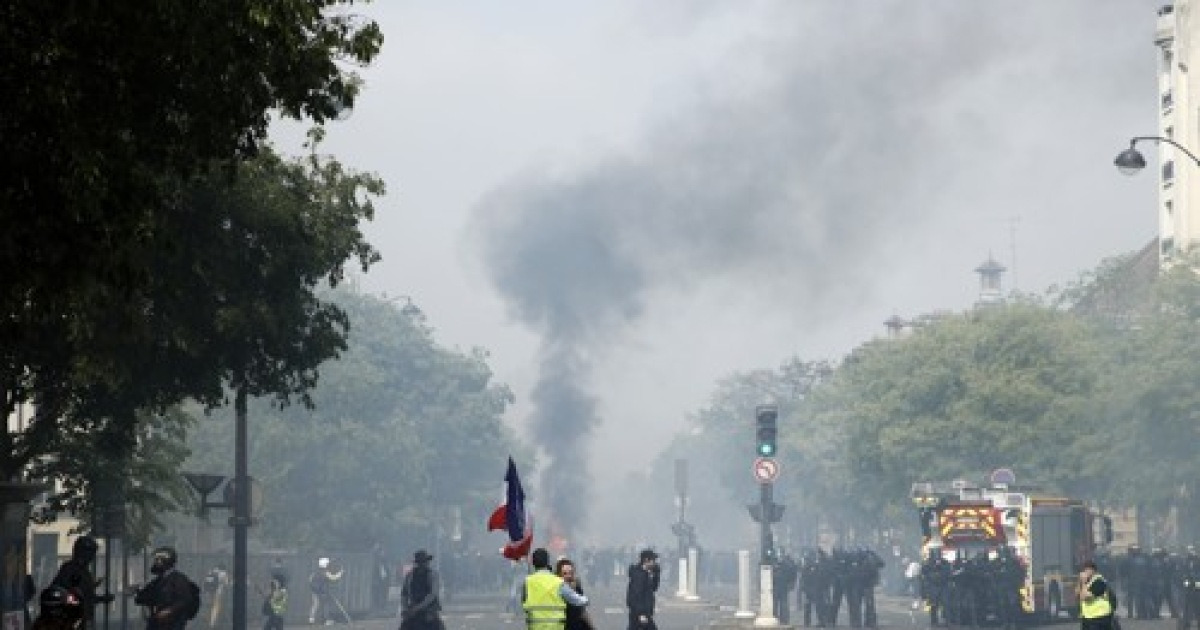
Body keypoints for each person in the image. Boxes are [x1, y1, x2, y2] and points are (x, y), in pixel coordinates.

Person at [50, 536, 115, 628]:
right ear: (83, 553)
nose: (92, 557)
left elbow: (86, 596)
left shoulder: (83, 571)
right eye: (91, 553)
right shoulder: (71, 569)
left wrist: (102, 598)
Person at [520, 548, 587, 630]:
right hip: (556, 626)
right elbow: (577, 600)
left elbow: (524, 601)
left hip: (535, 626)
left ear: (533, 563)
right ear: (548, 562)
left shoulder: (528, 581)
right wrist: (585, 599)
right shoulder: (558, 581)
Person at [134, 546, 197, 630]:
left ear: (167, 561)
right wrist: (137, 591)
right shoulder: (158, 581)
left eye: (159, 559)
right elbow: (144, 597)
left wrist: (169, 611)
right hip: (157, 622)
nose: (156, 562)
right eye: (156, 559)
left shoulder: (179, 579)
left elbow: (185, 600)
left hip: (172, 623)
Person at [400, 550, 444, 630]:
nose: (423, 564)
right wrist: (406, 608)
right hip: (413, 608)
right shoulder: (410, 576)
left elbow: (432, 594)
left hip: (428, 609)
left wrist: (417, 608)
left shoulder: (432, 575)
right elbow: (404, 594)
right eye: (421, 562)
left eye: (424, 562)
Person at [626, 548, 660, 630]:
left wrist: (656, 575)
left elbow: (654, 588)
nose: (655, 563)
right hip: (640, 613)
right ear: (646, 560)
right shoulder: (639, 575)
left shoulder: (646, 573)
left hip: (643, 612)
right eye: (653, 560)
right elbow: (635, 595)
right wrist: (641, 614)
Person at [555, 558, 593, 630]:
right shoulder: (556, 588)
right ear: (559, 574)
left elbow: (582, 611)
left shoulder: (577, 587)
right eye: (565, 573)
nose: (568, 576)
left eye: (571, 573)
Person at [1077, 560, 1115, 630]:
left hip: (1100, 617)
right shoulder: (1088, 582)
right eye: (1084, 570)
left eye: (1088, 569)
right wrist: (1080, 582)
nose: (1085, 572)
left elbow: (1085, 597)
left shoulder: (1099, 581)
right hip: (1089, 617)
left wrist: (1083, 582)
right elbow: (1078, 595)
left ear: (1093, 570)